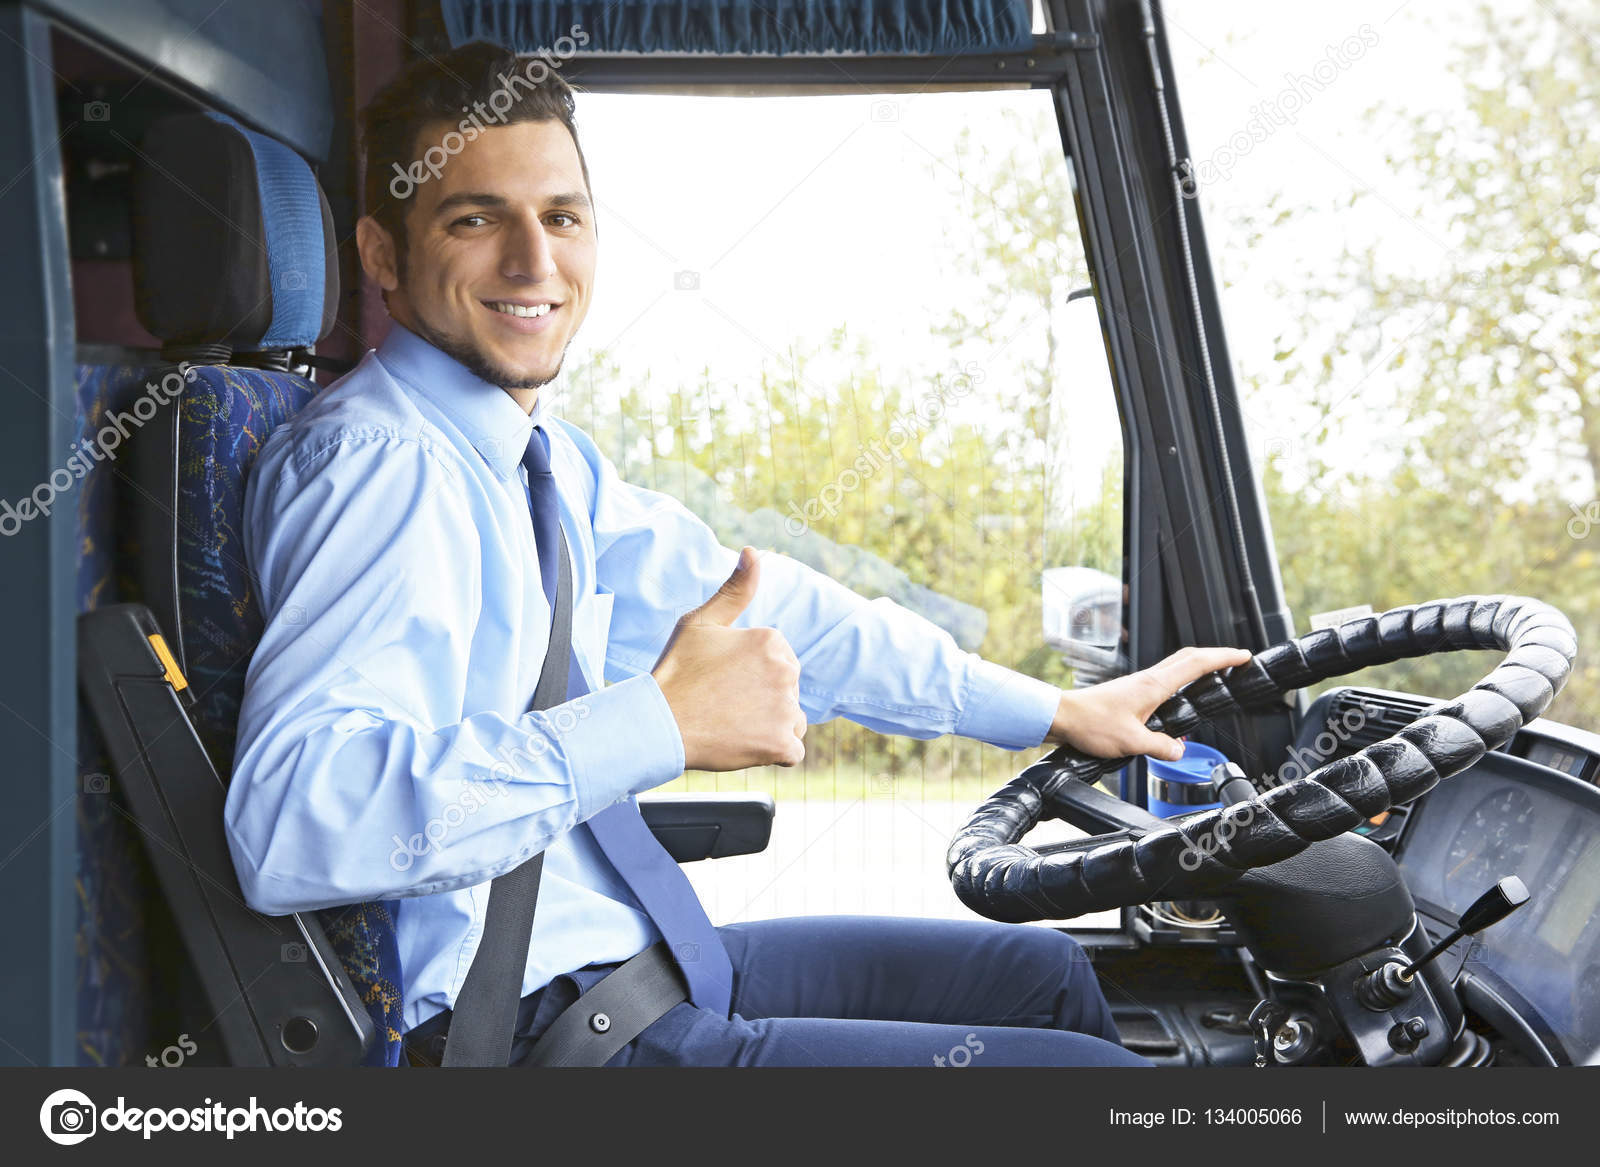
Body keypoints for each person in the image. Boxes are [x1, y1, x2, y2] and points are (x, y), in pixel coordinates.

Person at [223, 41, 1250, 1068]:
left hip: (628, 956)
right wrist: (653, 725)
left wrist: (1054, 710)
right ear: (384, 256)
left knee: (1045, 979)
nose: (535, 262)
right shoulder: (382, 468)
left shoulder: (534, 462)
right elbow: (294, 822)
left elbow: (775, 613)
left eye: (563, 217)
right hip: (521, 1027)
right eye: (475, 218)